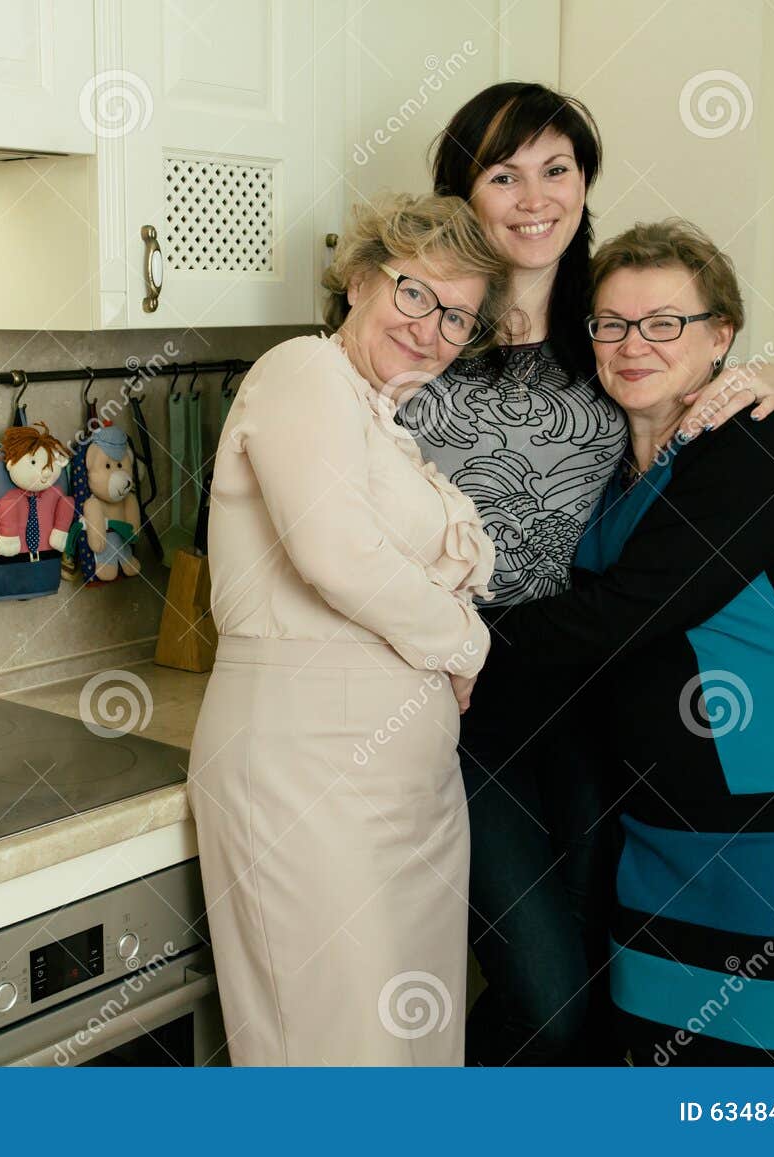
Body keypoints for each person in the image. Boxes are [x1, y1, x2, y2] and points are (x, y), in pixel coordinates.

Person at [396, 81, 774, 1065]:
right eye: (503, 173)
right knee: (545, 991)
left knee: (605, 981)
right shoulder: (424, 320)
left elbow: (707, 384)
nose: (535, 196)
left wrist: (767, 379)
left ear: (584, 183)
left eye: (557, 169)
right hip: (452, 698)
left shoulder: (607, 325)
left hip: (592, 690)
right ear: (464, 189)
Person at [486, 219, 774, 1065]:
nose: (632, 344)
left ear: (721, 336)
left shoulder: (744, 448)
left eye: (664, 324)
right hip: (666, 811)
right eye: (611, 324)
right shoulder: (613, 460)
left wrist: (449, 640)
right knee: (662, 1046)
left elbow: (621, 613)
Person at [187, 194, 507, 1065]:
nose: (431, 329)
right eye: (415, 294)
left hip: (411, 793)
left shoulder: (381, 418)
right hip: (309, 780)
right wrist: (466, 643)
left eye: (457, 317)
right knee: (339, 1062)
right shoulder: (303, 371)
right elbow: (335, 552)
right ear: (362, 277)